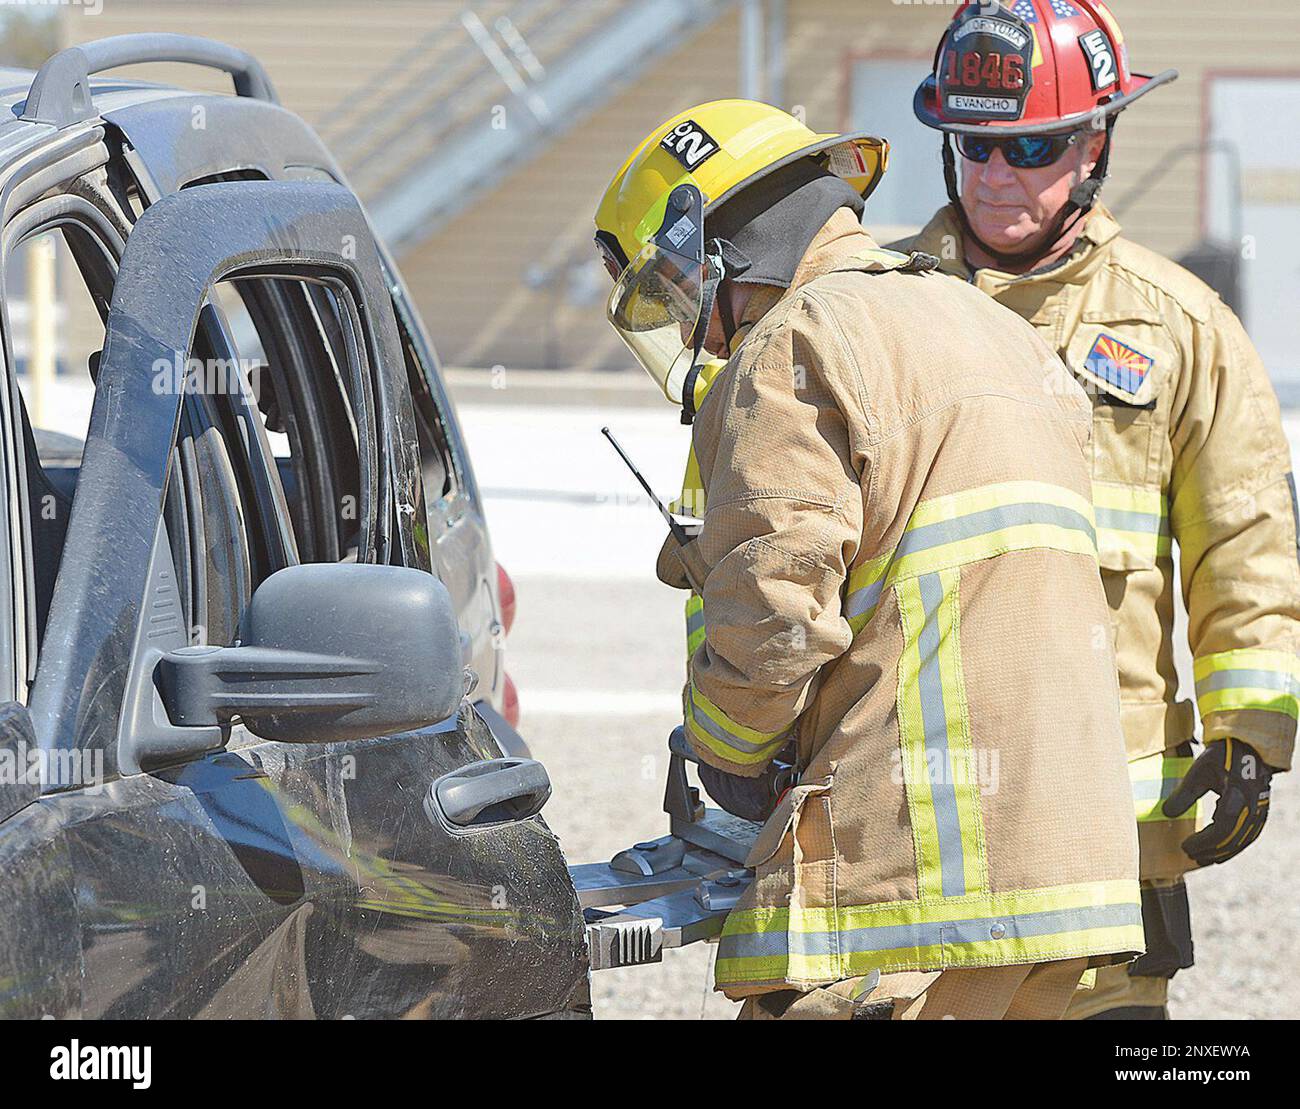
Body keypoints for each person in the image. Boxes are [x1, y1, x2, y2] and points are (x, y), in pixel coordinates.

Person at [593, 99, 1143, 1019]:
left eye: (682, 294)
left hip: (908, 900)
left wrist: (728, 749)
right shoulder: (998, 330)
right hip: (1066, 877)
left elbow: (775, 612)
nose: (705, 335)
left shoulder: (791, 345)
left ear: (721, 251)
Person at [899, 0, 1299, 1019]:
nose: (995, 175)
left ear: (1094, 143)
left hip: (1105, 839)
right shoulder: (883, 309)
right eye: (975, 145)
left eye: (1028, 145)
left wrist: (1247, 736)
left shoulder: (1178, 327)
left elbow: (1245, 537)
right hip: (911, 822)